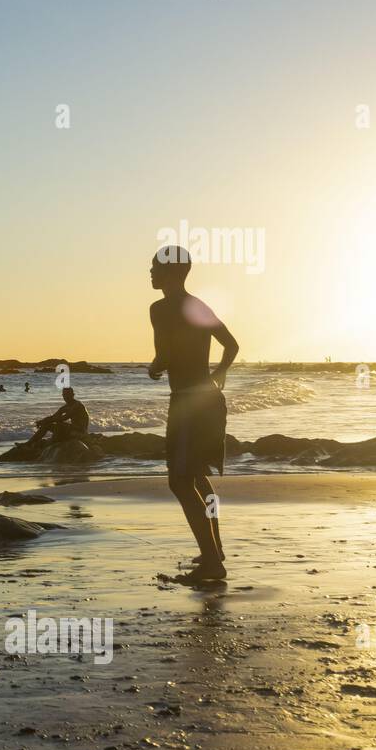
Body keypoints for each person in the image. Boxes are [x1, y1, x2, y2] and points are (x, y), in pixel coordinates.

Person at [148, 245, 239, 580]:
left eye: (155, 267)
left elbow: (165, 356)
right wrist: (219, 373)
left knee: (180, 481)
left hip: (187, 404)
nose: (151, 273)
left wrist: (153, 368)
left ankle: (214, 563)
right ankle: (213, 550)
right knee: (199, 477)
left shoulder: (160, 309)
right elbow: (231, 344)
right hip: (210, 401)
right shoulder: (198, 305)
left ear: (172, 273)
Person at [24, 387, 89, 445]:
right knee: (47, 425)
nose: (66, 397)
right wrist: (42, 421)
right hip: (71, 430)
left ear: (73, 395)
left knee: (59, 424)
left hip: (80, 432)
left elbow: (63, 418)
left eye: (68, 395)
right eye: (64, 395)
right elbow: (54, 417)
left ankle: (51, 442)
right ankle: (30, 443)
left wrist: (46, 421)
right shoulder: (65, 407)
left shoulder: (77, 405)